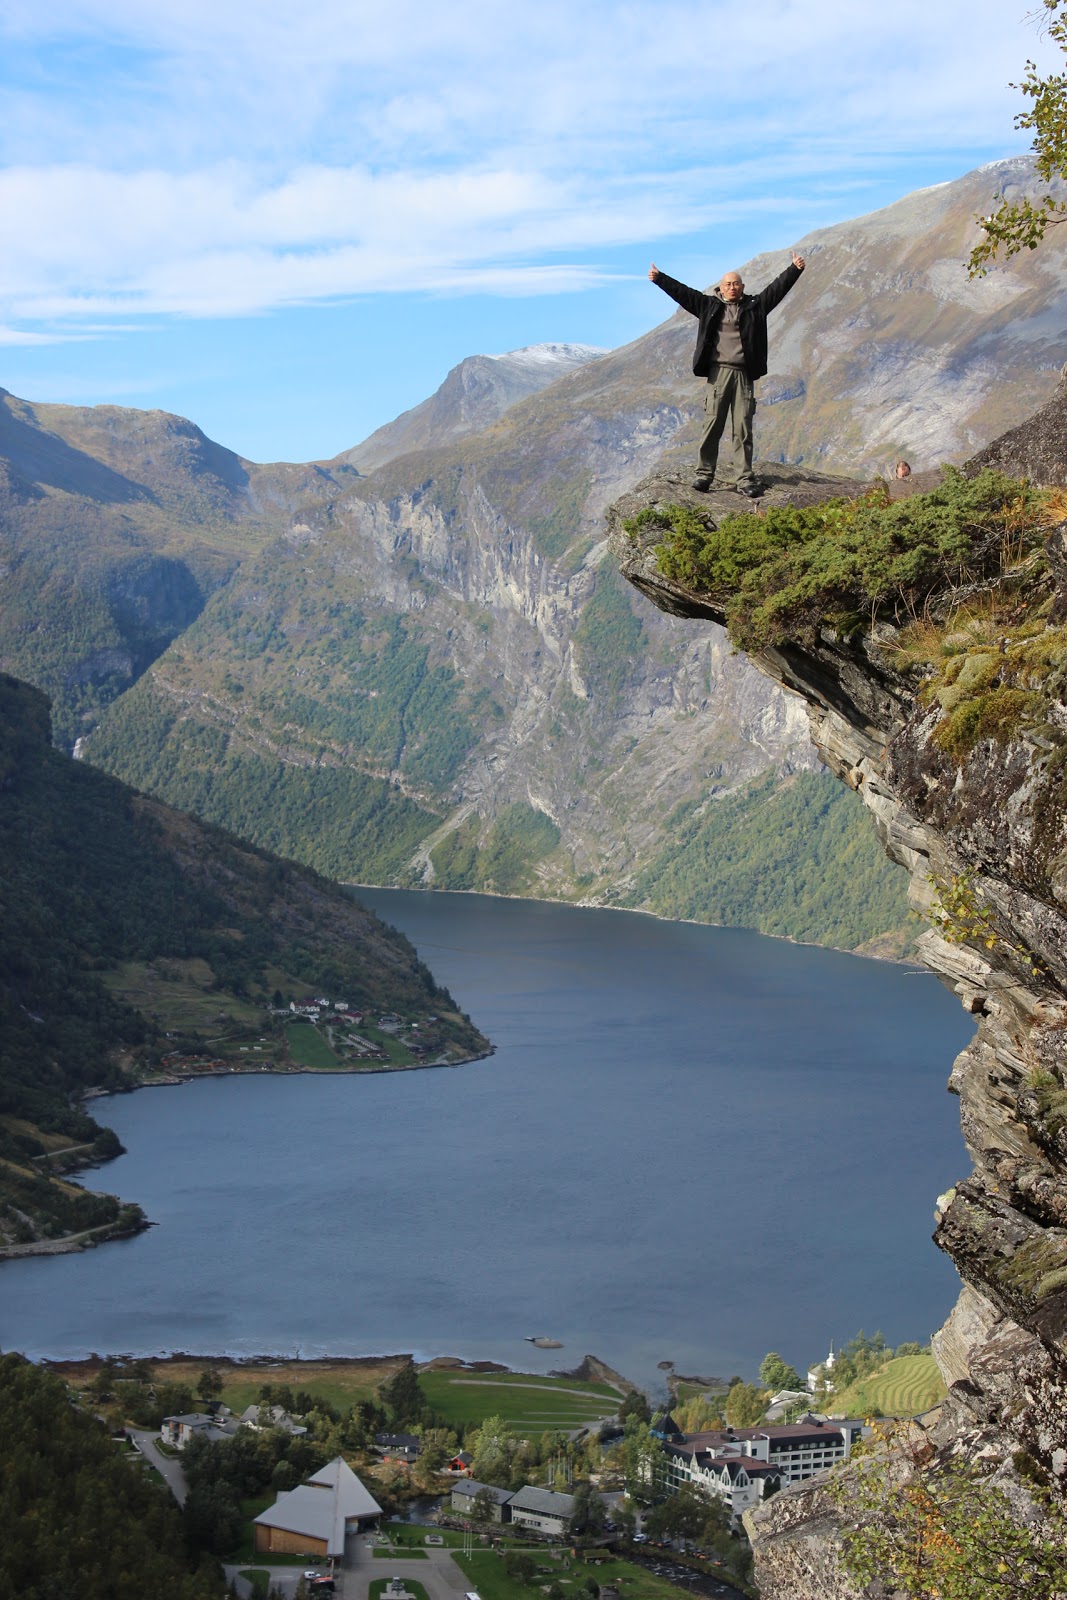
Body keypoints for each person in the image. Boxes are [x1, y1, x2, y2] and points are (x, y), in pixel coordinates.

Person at [648, 252, 806, 497]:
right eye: (728, 284)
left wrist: (794, 269)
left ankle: (744, 479)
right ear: (720, 288)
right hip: (718, 373)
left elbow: (777, 289)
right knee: (712, 424)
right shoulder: (708, 305)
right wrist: (659, 279)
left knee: (742, 428)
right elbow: (683, 292)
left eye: (736, 284)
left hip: (744, 375)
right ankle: (704, 475)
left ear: (742, 287)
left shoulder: (755, 306)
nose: (732, 288)